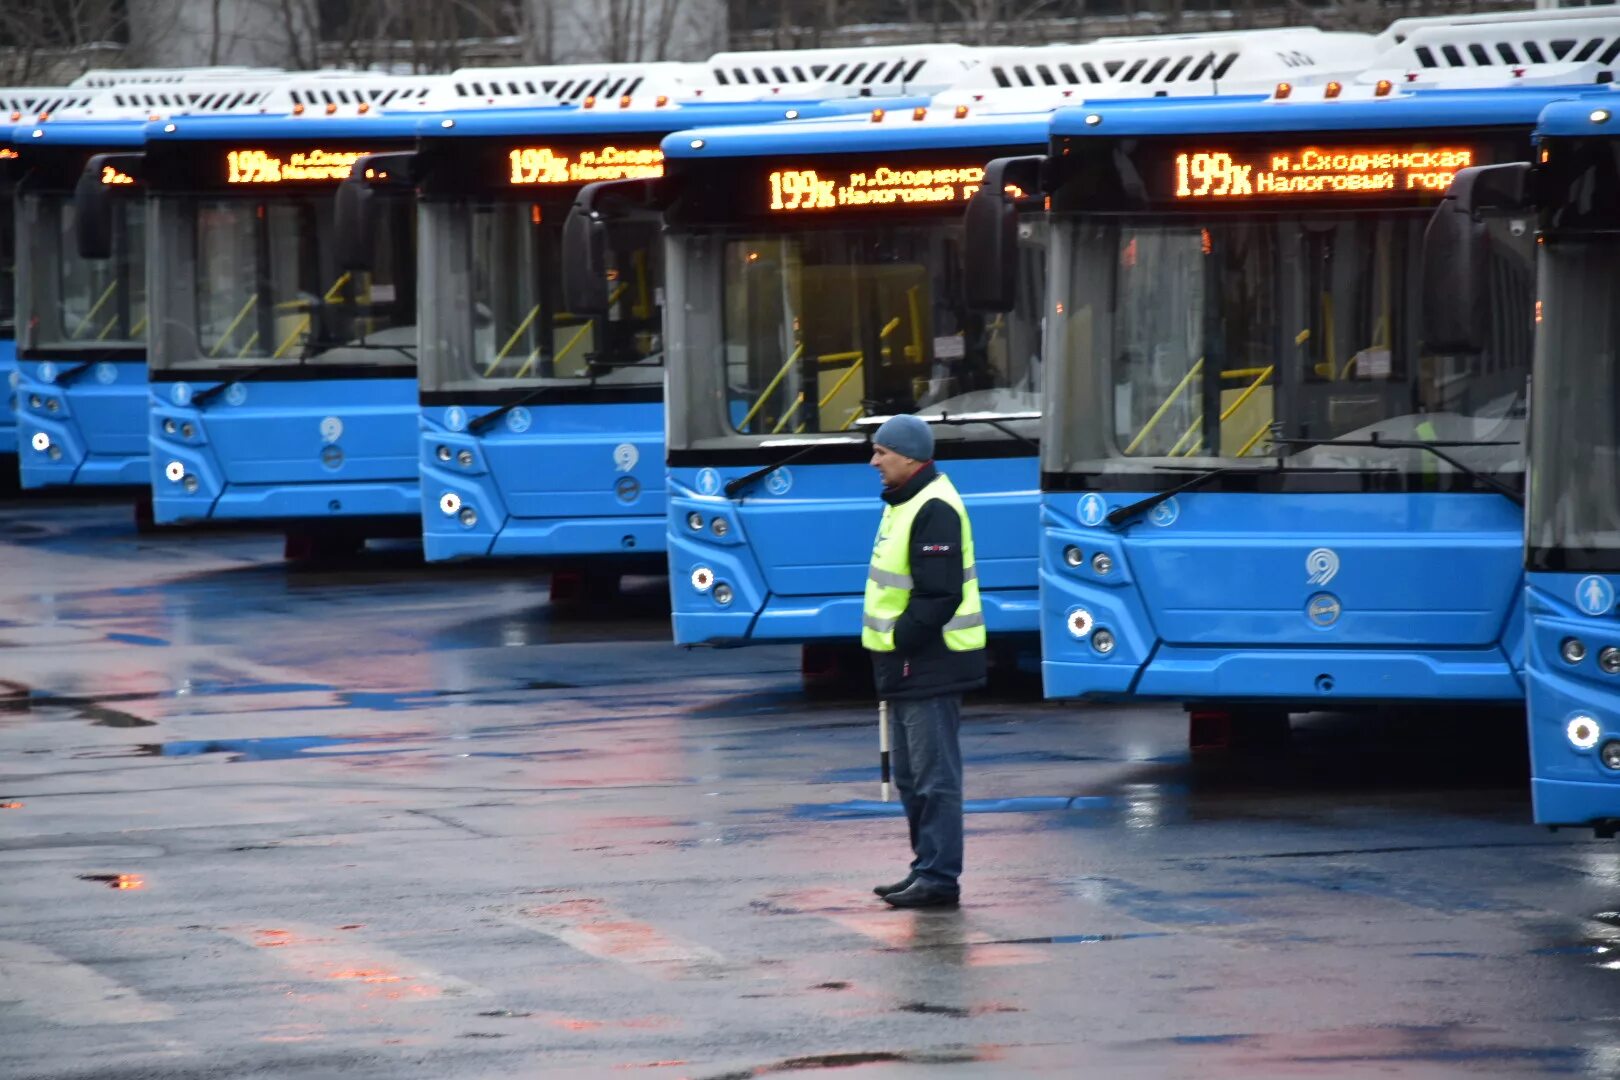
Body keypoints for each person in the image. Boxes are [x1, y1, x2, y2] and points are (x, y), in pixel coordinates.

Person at [862, 413, 987, 909]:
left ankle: (938, 877)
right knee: (912, 777)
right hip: (907, 661)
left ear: (910, 456)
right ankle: (926, 869)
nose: (874, 461)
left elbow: (939, 595)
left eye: (882, 452)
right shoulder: (906, 502)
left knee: (935, 778)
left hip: (929, 661)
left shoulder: (934, 507)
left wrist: (899, 643)